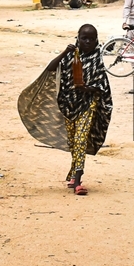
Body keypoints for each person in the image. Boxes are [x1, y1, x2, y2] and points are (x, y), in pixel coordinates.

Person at [42, 24, 113, 195]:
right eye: (84, 38)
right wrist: (64, 52)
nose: (88, 42)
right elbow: (50, 69)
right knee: (74, 142)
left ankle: (78, 181)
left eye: (91, 39)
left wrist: (85, 88)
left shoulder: (97, 59)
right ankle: (74, 174)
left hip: (87, 105)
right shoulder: (70, 56)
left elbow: (101, 86)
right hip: (68, 106)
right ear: (78, 38)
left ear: (96, 40)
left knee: (81, 140)